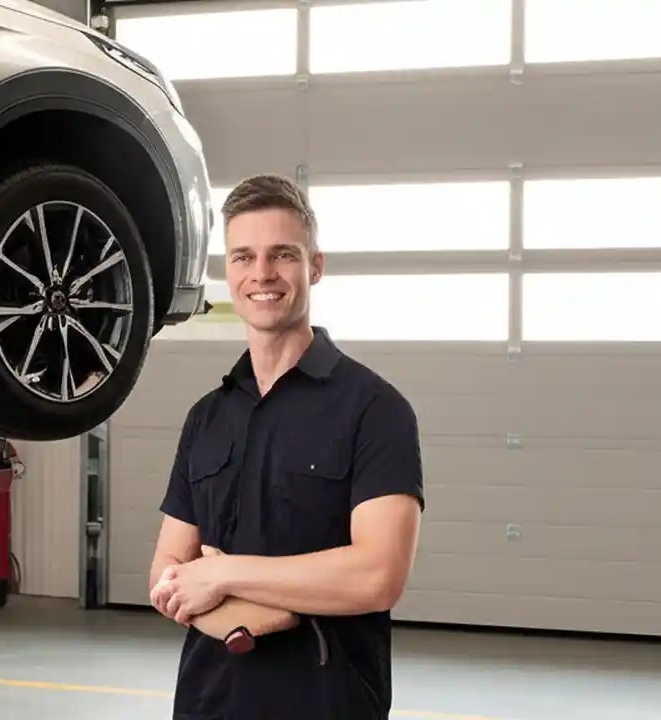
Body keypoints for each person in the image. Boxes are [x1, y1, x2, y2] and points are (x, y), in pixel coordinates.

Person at [149, 174, 425, 719]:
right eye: (243, 257)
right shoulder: (206, 417)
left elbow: (376, 577)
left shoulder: (375, 410)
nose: (262, 274)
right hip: (207, 705)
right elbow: (167, 573)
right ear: (227, 273)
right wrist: (277, 598)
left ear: (315, 266)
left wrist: (224, 575)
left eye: (282, 255)